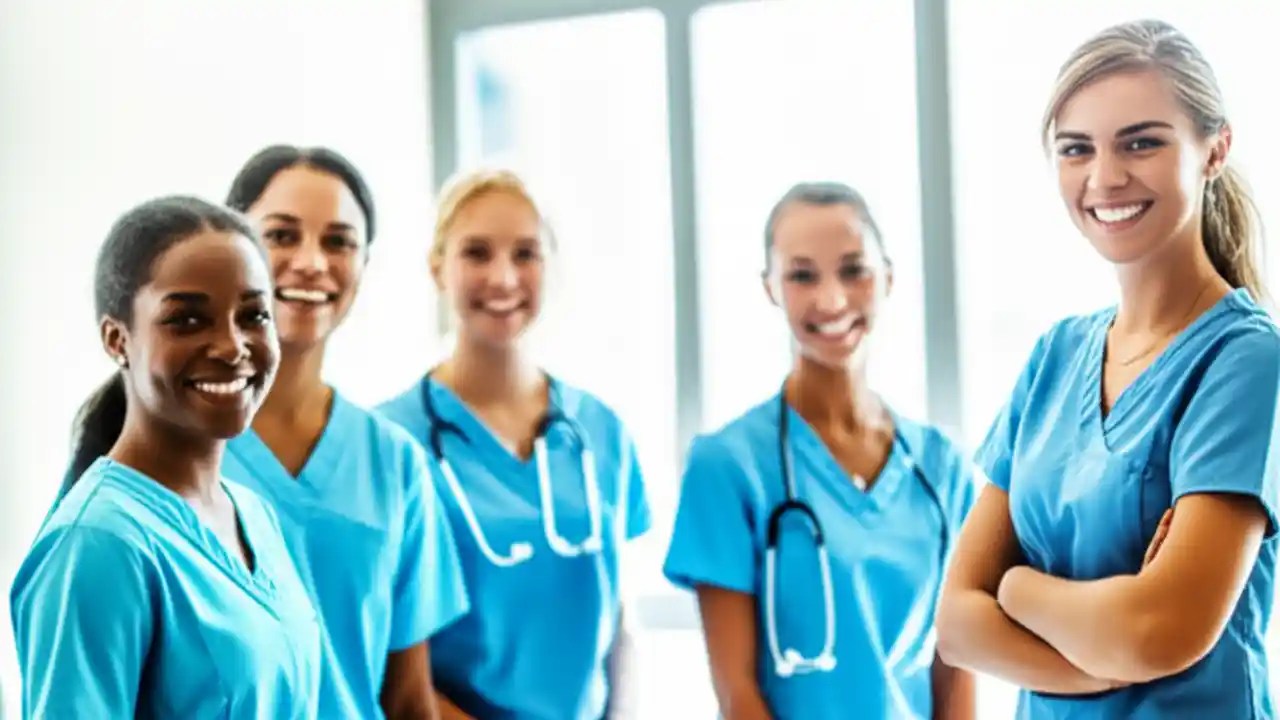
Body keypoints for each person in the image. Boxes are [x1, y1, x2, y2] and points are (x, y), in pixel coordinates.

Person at [936, 19, 1279, 719]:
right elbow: (956, 625)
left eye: (1141, 142)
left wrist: (1019, 591)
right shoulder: (1054, 357)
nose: (1105, 177)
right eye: (1076, 150)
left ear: (1215, 150)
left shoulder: (1247, 361)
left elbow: (1158, 631)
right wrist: (1102, 659)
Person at [662, 182, 978, 720]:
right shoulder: (729, 466)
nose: (831, 299)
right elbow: (737, 692)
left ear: (888, 278)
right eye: (802, 275)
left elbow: (956, 667)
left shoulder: (942, 466)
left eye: (854, 270)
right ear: (770, 287)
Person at [11, 196, 321, 719]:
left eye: (254, 315)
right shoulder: (97, 544)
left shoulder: (253, 515)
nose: (231, 346)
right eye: (188, 320)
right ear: (117, 338)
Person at [377, 168, 652, 720]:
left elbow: (619, 624)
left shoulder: (600, 431)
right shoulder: (389, 442)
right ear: (437, 268)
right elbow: (392, 662)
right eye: (476, 253)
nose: (503, 278)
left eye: (525, 254)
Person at [220, 145, 469, 720]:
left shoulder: (394, 463)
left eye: (338, 242)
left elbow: (408, 699)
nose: (311, 262)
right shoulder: (167, 448)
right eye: (281, 235)